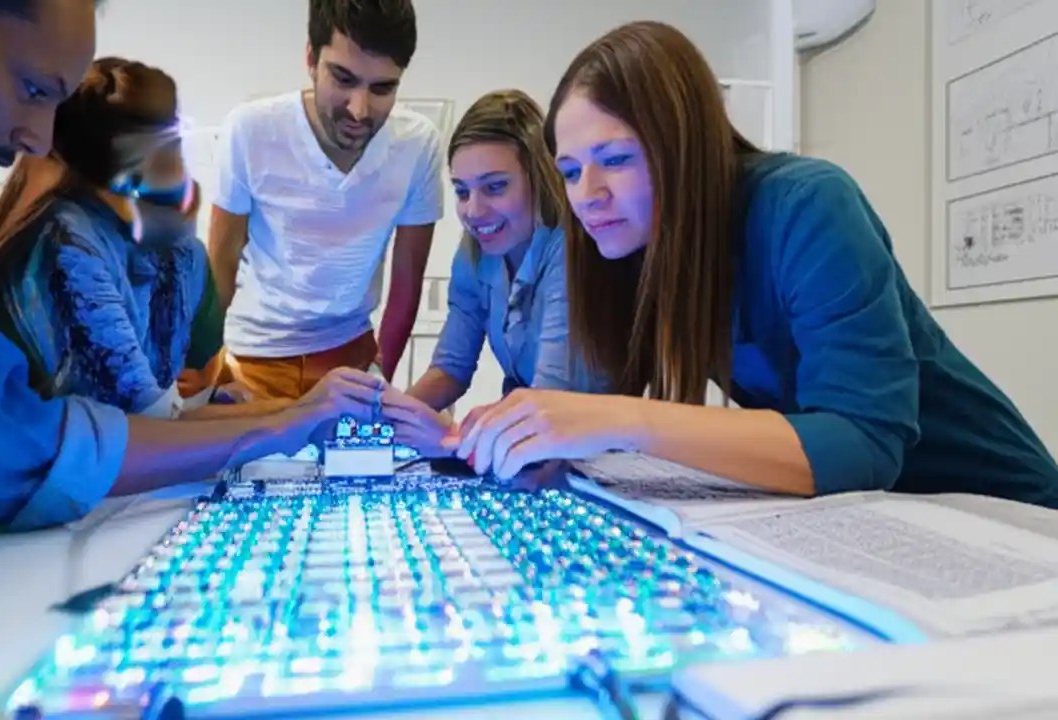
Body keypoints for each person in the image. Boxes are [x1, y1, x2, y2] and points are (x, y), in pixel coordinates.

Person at [0, 0, 386, 532]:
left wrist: (276, 414)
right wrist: (283, 420)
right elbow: (4, 445)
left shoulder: (174, 257)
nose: (38, 139)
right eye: (32, 89)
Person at [449, 21, 1058, 508]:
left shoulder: (807, 204)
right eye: (570, 171)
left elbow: (866, 442)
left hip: (1002, 511)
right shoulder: (630, 247)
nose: (587, 195)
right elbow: (587, 407)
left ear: (682, 143)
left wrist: (624, 419)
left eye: (616, 159)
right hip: (870, 518)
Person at [0, 57, 295, 498]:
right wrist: (289, 418)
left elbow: (190, 391)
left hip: (36, 472)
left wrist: (237, 406)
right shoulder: (65, 248)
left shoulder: (181, 256)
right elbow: (146, 434)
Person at [208, 0, 443, 399]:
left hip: (352, 354)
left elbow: (407, 283)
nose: (359, 110)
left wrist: (381, 375)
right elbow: (221, 264)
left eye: (382, 88)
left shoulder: (418, 144)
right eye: (343, 79)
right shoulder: (250, 129)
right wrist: (207, 375)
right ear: (310, 59)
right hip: (254, 358)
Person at [384, 90, 588, 457]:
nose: (474, 212)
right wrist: (382, 420)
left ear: (540, 178)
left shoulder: (571, 249)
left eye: (495, 187)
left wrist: (450, 436)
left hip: (587, 448)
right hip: (529, 438)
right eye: (462, 192)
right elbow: (451, 369)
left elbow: (549, 397)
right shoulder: (474, 253)